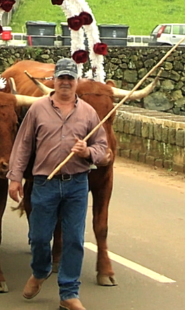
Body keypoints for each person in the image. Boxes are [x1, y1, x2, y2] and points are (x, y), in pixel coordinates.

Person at [6, 58, 109, 310]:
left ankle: (69, 293)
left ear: (76, 82)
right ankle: (40, 271)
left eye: (69, 78)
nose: (65, 82)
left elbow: (103, 147)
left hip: (77, 184)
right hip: (45, 183)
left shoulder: (88, 112)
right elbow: (23, 145)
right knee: (39, 237)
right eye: (61, 78)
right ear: (53, 81)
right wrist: (15, 178)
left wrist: (87, 152)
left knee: (74, 239)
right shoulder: (37, 109)